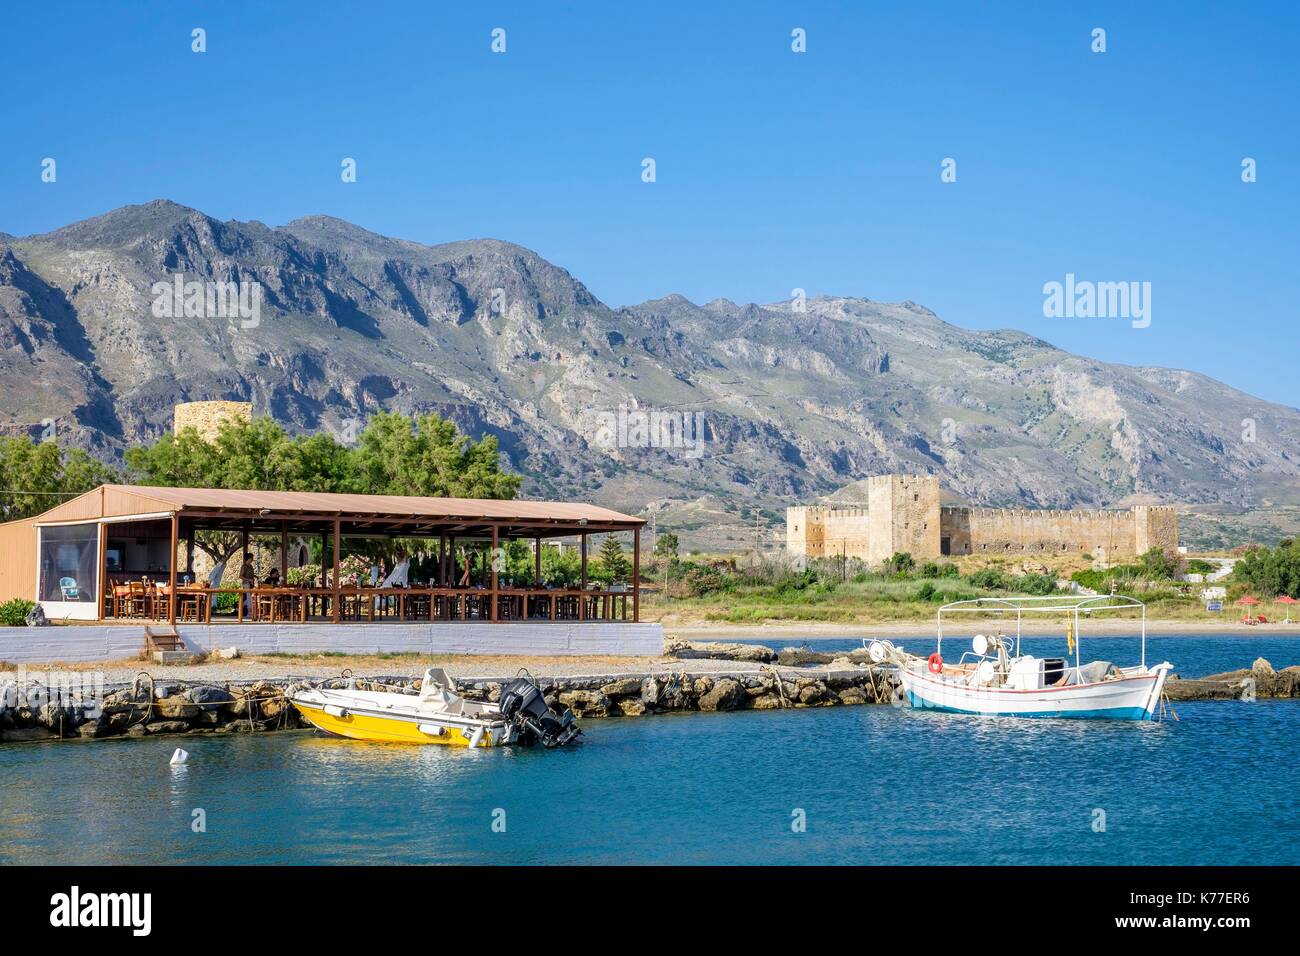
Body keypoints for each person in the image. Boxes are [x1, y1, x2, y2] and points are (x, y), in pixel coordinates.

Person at [239, 552, 255, 617]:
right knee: (249, 598)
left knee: (250, 598)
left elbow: (251, 575)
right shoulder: (244, 566)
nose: (252, 559)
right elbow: (240, 576)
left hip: (251, 584)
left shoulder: (250, 566)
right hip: (246, 584)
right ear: (248, 558)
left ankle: (240, 608)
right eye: (251, 558)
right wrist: (249, 580)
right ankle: (249, 613)